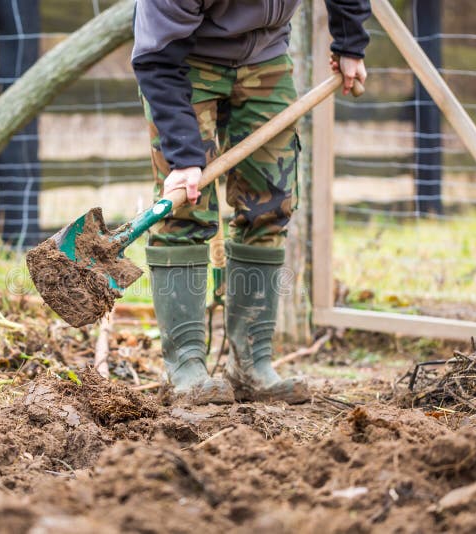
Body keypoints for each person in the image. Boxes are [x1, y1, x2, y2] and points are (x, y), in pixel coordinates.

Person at [132, 0, 370, 404]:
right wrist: (185, 158)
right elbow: (157, 57)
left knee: (269, 206)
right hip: (183, 60)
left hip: (266, 58)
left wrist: (350, 43)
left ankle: (252, 365)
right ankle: (185, 368)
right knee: (184, 209)